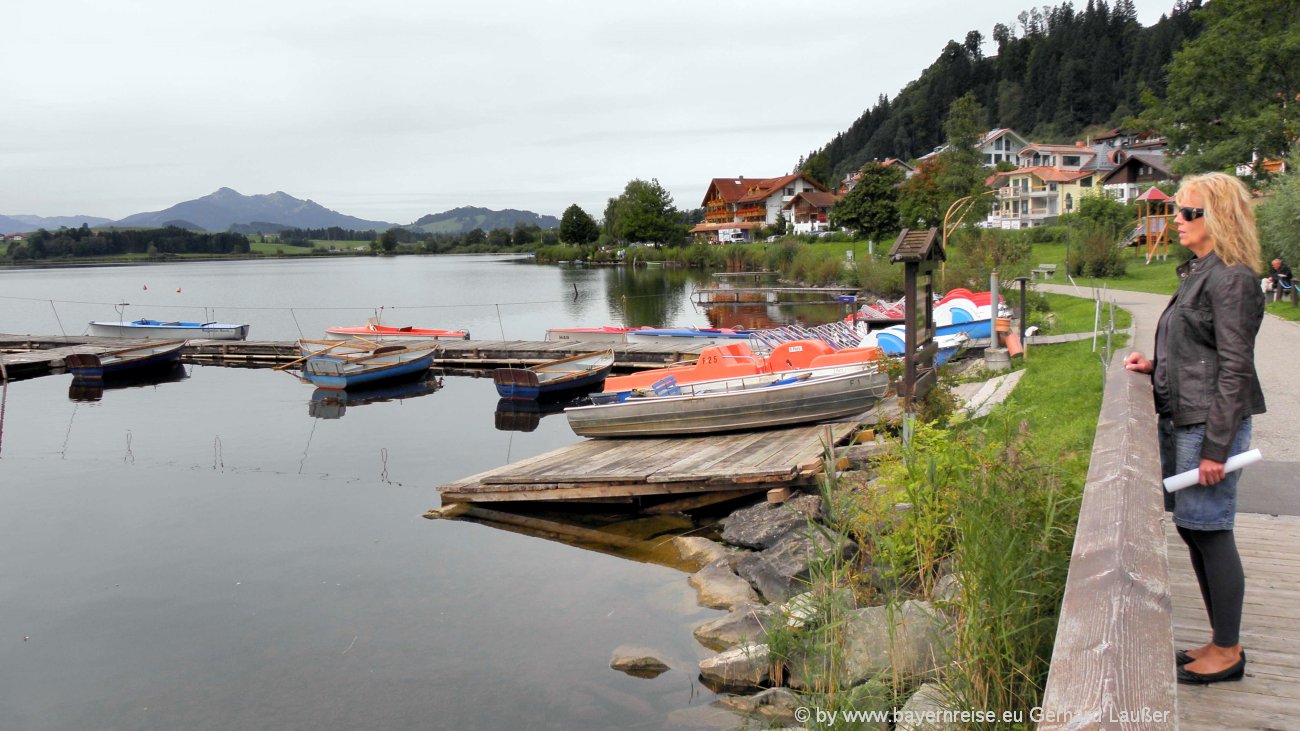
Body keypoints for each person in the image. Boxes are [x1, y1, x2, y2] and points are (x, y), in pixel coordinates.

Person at [1123, 172, 1266, 685]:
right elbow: (1195, 349)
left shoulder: (1232, 279)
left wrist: (1215, 449)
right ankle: (1220, 639)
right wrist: (1155, 367)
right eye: (1176, 211)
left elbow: (1234, 369)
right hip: (1190, 418)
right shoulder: (1202, 272)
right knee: (1194, 528)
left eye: (1188, 212)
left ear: (1219, 217)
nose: (1176, 221)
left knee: (1211, 530)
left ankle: (1227, 651)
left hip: (1209, 426)